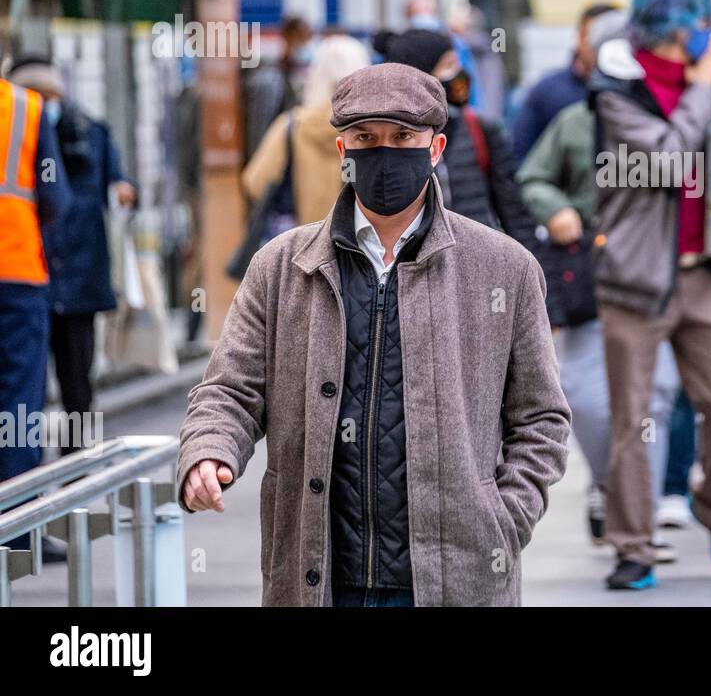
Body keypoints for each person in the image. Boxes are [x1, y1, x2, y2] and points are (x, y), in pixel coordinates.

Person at [177, 62, 569, 606]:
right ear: (343, 151)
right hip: (320, 578)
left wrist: (503, 519)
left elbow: (541, 418)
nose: (384, 152)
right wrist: (208, 450)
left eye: (403, 137)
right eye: (366, 138)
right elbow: (230, 389)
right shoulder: (282, 266)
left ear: (435, 149)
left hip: (454, 581)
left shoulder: (504, 268)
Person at [589, 0, 711, 590]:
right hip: (636, 278)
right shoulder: (616, 92)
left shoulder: (707, 83)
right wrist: (705, 88)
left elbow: (708, 152)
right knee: (634, 417)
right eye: (703, 25)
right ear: (682, 31)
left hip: (704, 272)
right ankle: (633, 547)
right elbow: (666, 160)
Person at [516, 14, 682, 552]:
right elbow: (532, 177)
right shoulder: (571, 121)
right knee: (585, 397)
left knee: (655, 397)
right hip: (590, 274)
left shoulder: (669, 120)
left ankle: (642, 516)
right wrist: (556, 207)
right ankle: (612, 482)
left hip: (655, 275)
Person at [7, 58, 134, 456]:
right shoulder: (24, 130)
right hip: (32, 275)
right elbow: (52, 199)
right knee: (29, 388)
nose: (45, 105)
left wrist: (125, 190)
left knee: (77, 385)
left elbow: (120, 182)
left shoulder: (93, 134)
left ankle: (76, 465)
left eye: (50, 96)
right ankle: (30, 475)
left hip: (78, 276)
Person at [380, 28, 536, 250]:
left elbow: (514, 211)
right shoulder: (388, 141)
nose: (460, 74)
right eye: (448, 66)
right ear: (421, 77)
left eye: (457, 63)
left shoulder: (481, 129)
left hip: (480, 264)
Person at [0, 57, 68, 552]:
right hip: (17, 271)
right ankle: (18, 526)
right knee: (19, 398)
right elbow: (55, 198)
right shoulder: (25, 107)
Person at [242, 34, 371, 225]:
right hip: (357, 240)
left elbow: (254, 183)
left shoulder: (292, 125)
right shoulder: (375, 131)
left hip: (302, 242)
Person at [512, 1, 619, 161]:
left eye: (609, 38)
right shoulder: (547, 91)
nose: (600, 46)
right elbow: (521, 157)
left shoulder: (637, 92)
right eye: (593, 37)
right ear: (579, 37)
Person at [470, 0, 534, 100]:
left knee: (495, 76)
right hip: (510, 33)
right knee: (509, 78)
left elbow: (472, 0)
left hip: (496, 32)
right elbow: (528, 11)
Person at [244, 15, 308, 157]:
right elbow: (258, 126)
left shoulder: (288, 67)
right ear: (290, 36)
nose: (304, 46)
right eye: (302, 40)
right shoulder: (267, 74)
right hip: (261, 146)